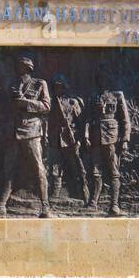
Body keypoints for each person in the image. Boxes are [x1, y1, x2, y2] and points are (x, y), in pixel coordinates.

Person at [0, 55, 52, 217]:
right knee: (8, 168)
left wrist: (24, 102)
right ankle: (1, 205)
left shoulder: (39, 84)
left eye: (21, 66)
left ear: (28, 68)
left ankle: (45, 207)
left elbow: (46, 106)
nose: (18, 68)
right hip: (13, 132)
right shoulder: (12, 84)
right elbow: (5, 108)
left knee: (38, 168)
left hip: (31, 131)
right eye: (17, 65)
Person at [83, 73, 131, 215]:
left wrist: (125, 139)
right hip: (95, 136)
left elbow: (125, 120)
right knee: (95, 171)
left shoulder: (117, 95)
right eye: (100, 78)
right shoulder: (93, 96)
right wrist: (86, 135)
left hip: (112, 137)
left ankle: (114, 205)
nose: (102, 81)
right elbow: (87, 118)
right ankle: (93, 203)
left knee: (113, 171)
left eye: (104, 78)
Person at [47, 72, 88, 204]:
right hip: (55, 138)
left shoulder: (72, 102)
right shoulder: (51, 102)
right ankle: (55, 194)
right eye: (55, 87)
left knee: (76, 166)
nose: (57, 89)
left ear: (64, 87)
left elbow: (81, 122)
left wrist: (80, 140)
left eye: (60, 86)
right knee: (55, 167)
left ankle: (82, 193)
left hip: (71, 138)